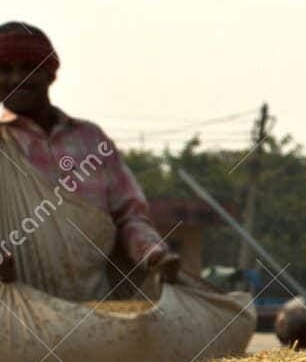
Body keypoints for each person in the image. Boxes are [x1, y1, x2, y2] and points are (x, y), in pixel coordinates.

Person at [0, 22, 179, 287]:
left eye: (28, 68)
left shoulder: (90, 140)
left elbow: (129, 216)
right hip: (18, 314)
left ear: (49, 75)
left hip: (95, 309)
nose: (16, 79)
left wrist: (153, 257)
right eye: (4, 70)